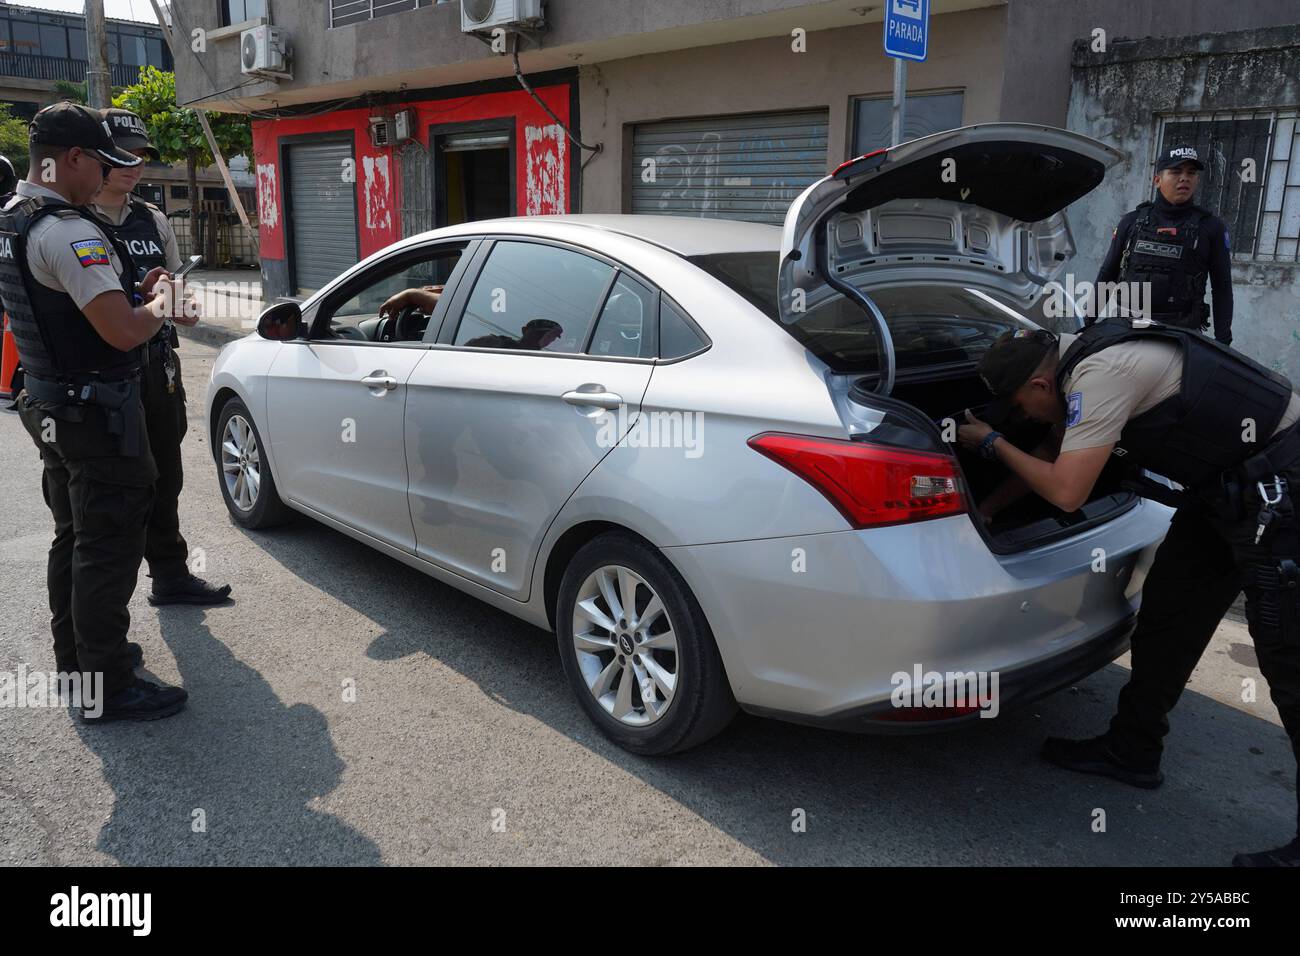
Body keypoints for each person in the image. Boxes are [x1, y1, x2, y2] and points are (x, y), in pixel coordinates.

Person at [958, 319, 1300, 866]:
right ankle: (1132, 750)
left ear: (1041, 386)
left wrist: (993, 443)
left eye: (1019, 405)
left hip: (1283, 490)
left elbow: (1067, 490)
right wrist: (989, 513)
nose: (1021, 416)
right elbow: (1055, 447)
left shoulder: (1100, 375)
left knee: (1290, 664)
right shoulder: (1077, 364)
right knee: (1169, 615)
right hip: (1226, 489)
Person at [0, 102, 199, 721]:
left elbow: (54, 309)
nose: (110, 175)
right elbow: (122, 332)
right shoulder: (70, 230)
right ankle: (108, 682)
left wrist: (133, 300)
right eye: (104, 163)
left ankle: (79, 659)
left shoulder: (13, 217)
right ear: (74, 160)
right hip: (96, 414)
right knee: (108, 541)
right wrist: (160, 300)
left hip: (49, 401)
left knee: (73, 534)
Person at [87, 108, 230, 606]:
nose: (133, 165)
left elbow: (185, 310)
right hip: (100, 374)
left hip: (157, 367)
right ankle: (106, 611)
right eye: (120, 154)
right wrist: (140, 300)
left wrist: (175, 301)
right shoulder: (71, 222)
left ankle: (170, 574)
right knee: (117, 489)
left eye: (140, 155)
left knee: (166, 474)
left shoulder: (153, 219)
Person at [1091, 145, 1233, 345]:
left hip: (1181, 336)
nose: (1184, 178)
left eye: (1191, 173)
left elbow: (1222, 287)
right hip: (1127, 331)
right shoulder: (1131, 222)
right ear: (1157, 180)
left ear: (1197, 180)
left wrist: (1223, 342)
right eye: (1176, 171)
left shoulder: (1211, 227)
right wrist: (1087, 324)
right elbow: (1108, 274)